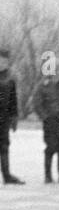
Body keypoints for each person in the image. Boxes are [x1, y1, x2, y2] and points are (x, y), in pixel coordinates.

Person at [32, 57, 59, 183]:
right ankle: (48, 175)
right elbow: (37, 104)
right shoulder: (42, 86)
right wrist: (45, 117)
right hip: (51, 121)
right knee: (51, 147)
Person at [0, 48, 21, 184]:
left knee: (4, 145)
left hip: (4, 118)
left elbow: (13, 101)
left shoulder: (10, 80)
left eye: (4, 60)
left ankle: (6, 175)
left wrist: (14, 117)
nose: (2, 63)